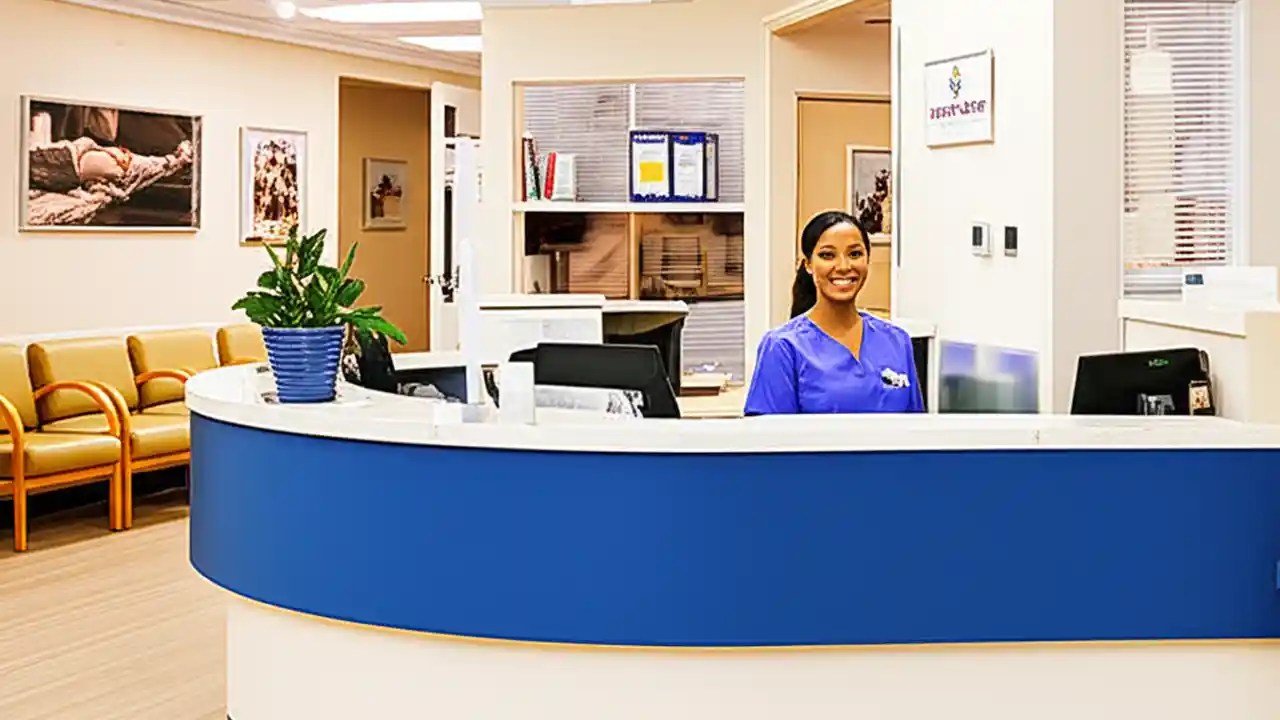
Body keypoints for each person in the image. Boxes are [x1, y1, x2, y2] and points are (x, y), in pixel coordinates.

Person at [744, 210, 924, 415]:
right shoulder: (783, 347)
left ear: (867, 260)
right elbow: (768, 440)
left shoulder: (897, 341)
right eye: (827, 255)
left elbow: (916, 432)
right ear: (808, 265)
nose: (844, 266)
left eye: (855, 254)